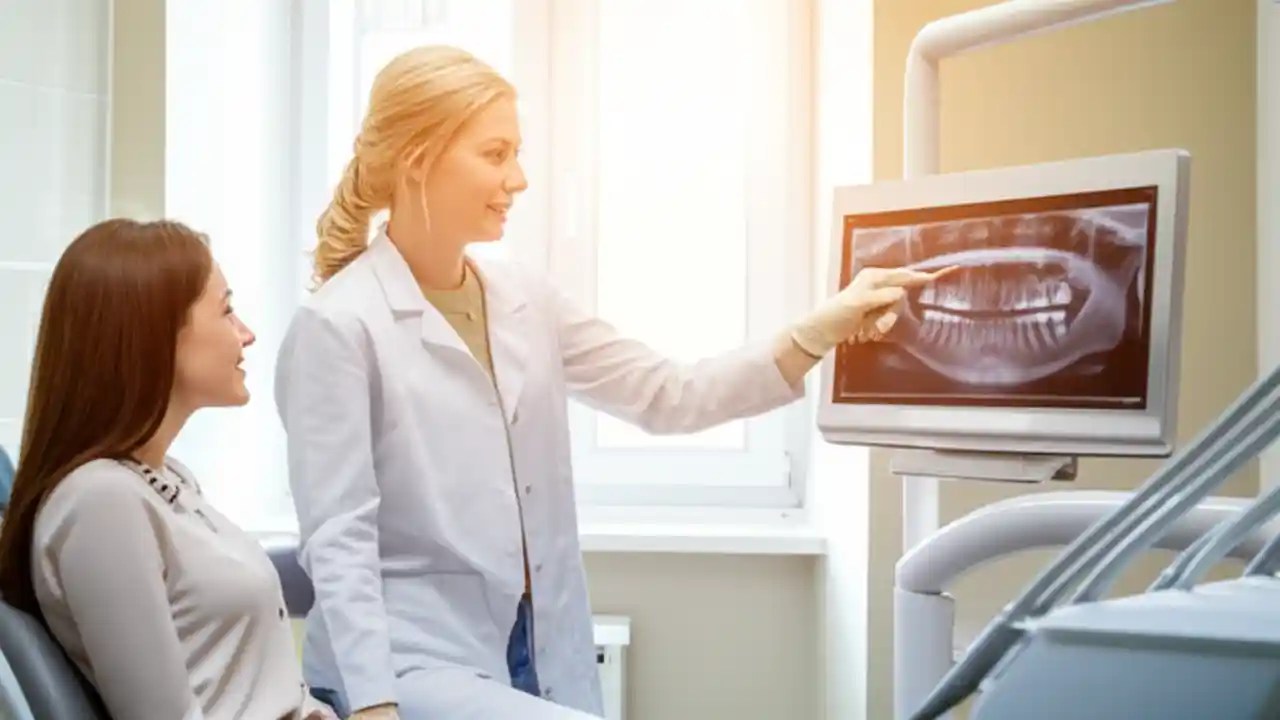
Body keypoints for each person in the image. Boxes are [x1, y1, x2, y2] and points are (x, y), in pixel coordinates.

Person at [275, 45, 951, 720]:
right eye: (496, 153)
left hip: (536, 652)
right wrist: (373, 707)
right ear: (419, 158)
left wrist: (815, 333)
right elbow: (339, 538)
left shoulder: (522, 296)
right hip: (403, 665)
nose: (520, 178)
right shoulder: (338, 326)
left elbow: (667, 394)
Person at [0, 219, 338, 720]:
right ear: (155, 336)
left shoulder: (167, 479)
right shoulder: (101, 503)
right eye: (226, 311)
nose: (246, 334)